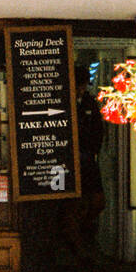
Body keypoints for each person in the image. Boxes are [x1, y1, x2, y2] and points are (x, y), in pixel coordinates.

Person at [58, 63, 105, 261]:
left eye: (84, 85)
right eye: (79, 85)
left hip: (87, 159)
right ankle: (77, 247)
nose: (82, 89)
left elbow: (98, 129)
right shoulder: (62, 102)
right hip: (66, 161)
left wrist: (93, 151)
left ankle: (80, 233)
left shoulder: (89, 103)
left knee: (97, 201)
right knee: (71, 204)